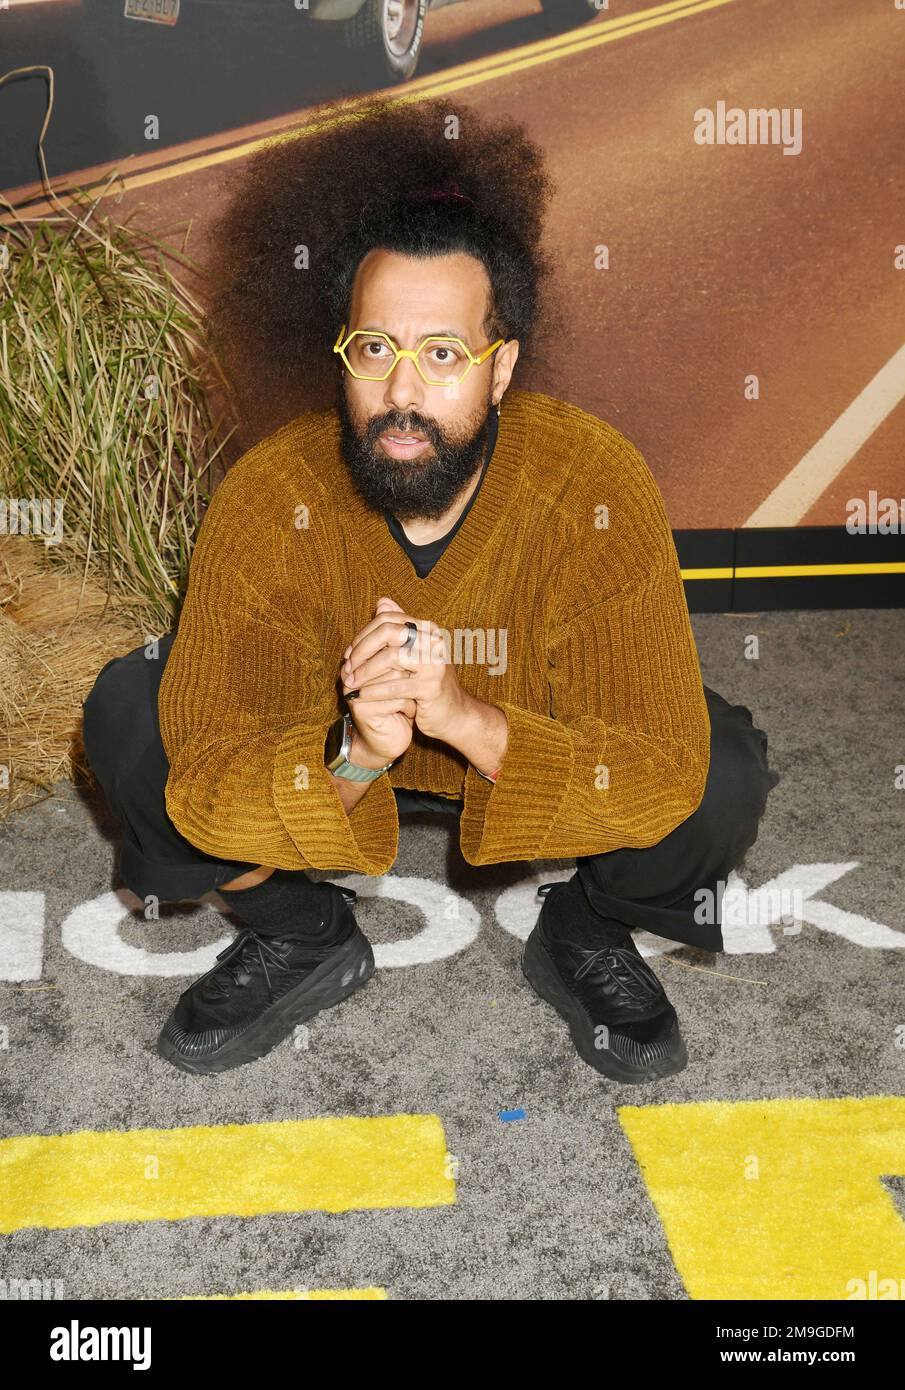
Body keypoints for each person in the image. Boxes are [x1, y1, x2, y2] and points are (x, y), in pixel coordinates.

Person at [81, 99, 779, 1083]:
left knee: (717, 774)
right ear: (342, 356)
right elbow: (207, 767)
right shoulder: (271, 492)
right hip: (336, 750)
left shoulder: (592, 481)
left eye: (442, 355)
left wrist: (462, 714)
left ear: (500, 371)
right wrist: (358, 752)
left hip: (513, 742)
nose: (400, 392)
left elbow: (656, 763)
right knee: (130, 716)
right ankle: (300, 931)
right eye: (374, 350)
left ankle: (582, 930)